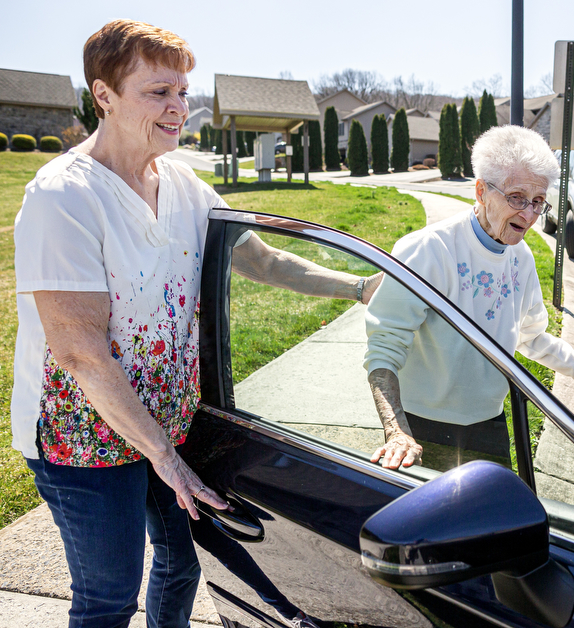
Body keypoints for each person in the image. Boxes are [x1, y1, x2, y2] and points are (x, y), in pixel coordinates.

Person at [11, 20, 375, 628]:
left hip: (164, 423)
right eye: (158, 92)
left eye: (183, 91)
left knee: (181, 566)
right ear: (104, 95)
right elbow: (79, 352)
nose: (179, 106)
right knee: (108, 596)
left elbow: (261, 258)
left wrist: (358, 287)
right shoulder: (64, 197)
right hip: (84, 437)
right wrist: (166, 459)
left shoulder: (185, 185)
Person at [365, 125, 574, 471]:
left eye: (538, 202)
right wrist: (397, 433)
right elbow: (382, 354)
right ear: (482, 191)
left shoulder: (521, 257)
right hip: (422, 429)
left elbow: (531, 337)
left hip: (489, 423)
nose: (528, 215)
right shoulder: (427, 250)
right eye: (516, 198)